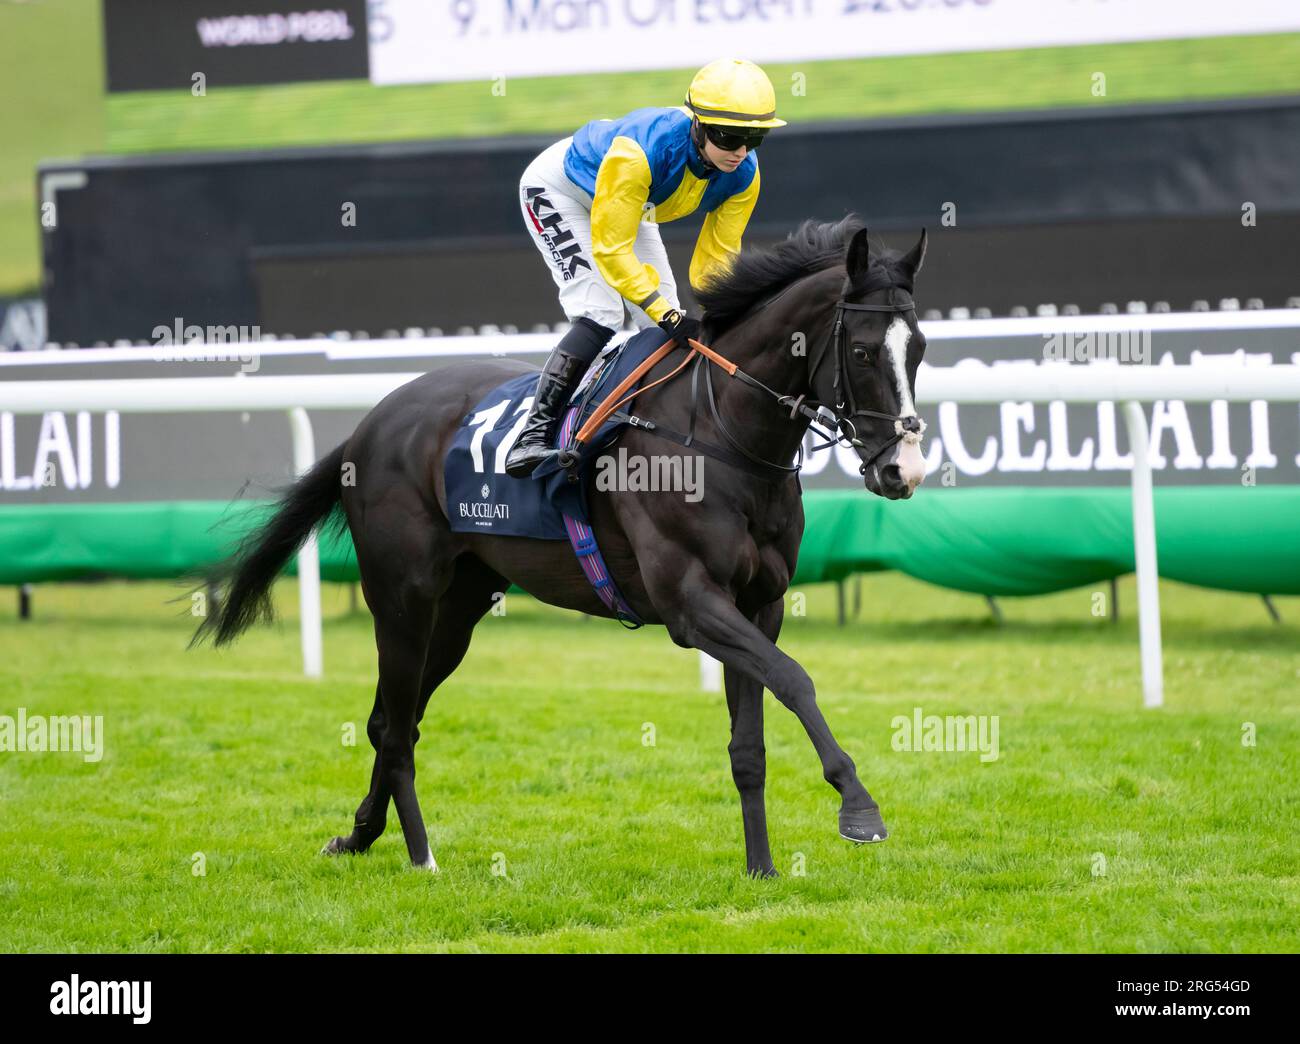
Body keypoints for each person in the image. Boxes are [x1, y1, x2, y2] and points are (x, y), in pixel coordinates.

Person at [504, 57, 787, 477]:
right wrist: (668, 314)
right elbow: (611, 249)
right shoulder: (640, 154)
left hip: (632, 203)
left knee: (658, 329)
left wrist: (720, 315)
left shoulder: (744, 173)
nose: (742, 151)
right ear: (700, 125)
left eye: (755, 138)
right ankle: (533, 434)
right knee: (601, 310)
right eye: (731, 137)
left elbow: (716, 260)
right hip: (562, 189)